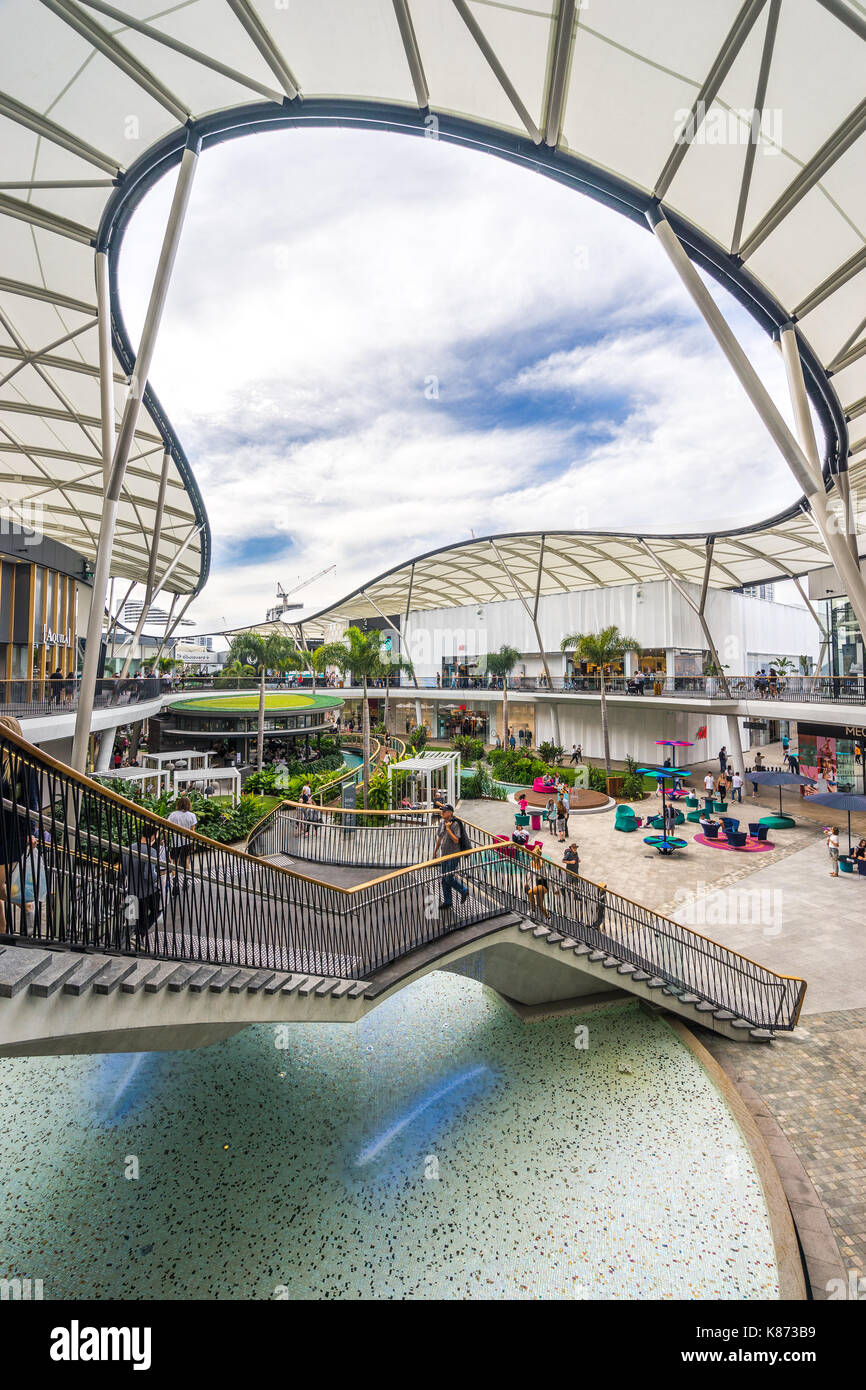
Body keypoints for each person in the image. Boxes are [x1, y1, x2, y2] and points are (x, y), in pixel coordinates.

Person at [121, 826, 166, 947]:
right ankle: (139, 935)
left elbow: (124, 870)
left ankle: (136, 937)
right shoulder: (151, 851)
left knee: (137, 916)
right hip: (148, 891)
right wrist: (161, 874)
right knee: (157, 911)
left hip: (132, 889)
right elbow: (149, 875)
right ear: (153, 835)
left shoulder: (130, 848)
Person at [435, 805, 470, 912]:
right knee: (444, 878)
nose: (442, 813)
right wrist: (435, 850)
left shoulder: (455, 824)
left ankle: (463, 890)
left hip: (453, 855)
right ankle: (448, 901)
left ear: (450, 813)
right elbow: (440, 837)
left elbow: (456, 840)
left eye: (444, 811)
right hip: (444, 854)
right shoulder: (442, 823)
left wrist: (448, 829)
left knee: (448, 877)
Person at [167, 795, 197, 894]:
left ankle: (175, 880)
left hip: (175, 842)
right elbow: (192, 832)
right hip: (187, 842)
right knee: (186, 860)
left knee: (174, 861)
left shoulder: (172, 815)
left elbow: (167, 829)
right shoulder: (191, 815)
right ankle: (186, 878)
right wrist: (193, 842)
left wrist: (166, 839)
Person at [525, 844, 550, 919]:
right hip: (536, 884)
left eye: (534, 855)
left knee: (530, 892)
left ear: (538, 856)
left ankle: (533, 911)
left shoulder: (542, 865)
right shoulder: (531, 862)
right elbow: (530, 874)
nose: (532, 856)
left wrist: (554, 889)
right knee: (539, 904)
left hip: (542, 884)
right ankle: (548, 917)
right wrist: (527, 882)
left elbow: (548, 876)